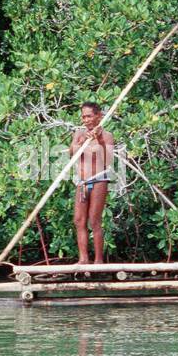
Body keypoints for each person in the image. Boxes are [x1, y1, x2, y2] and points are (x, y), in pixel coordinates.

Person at [70, 102, 114, 265]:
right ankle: (83, 259)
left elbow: (108, 160)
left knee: (94, 221)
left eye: (89, 116)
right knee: (79, 220)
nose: (85, 120)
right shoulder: (79, 133)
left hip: (99, 180)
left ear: (98, 116)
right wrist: (81, 142)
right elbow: (72, 153)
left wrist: (99, 139)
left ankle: (98, 261)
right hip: (82, 182)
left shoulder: (106, 135)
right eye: (83, 116)